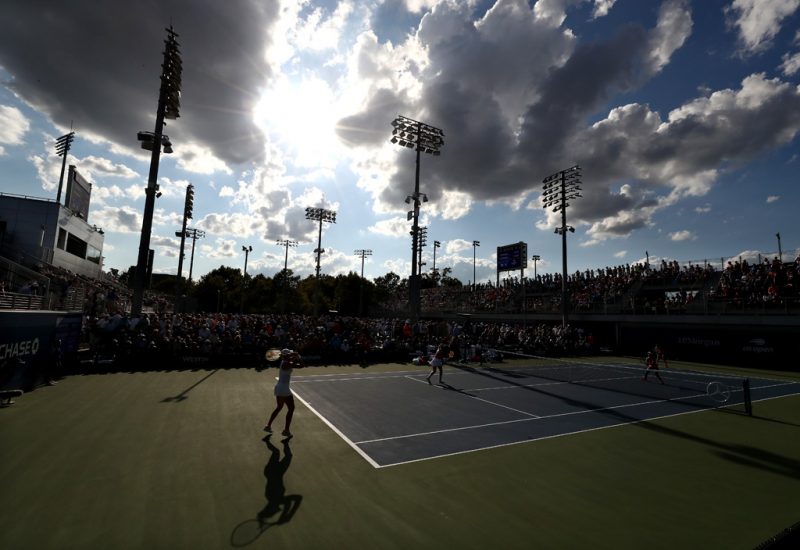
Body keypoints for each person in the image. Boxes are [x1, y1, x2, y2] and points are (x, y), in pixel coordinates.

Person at [264, 348, 304, 437]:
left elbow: (296, 363)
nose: (291, 354)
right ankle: (286, 430)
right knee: (291, 408)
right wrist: (297, 356)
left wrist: (295, 356)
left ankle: (268, 426)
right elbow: (301, 365)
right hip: (284, 389)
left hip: (279, 388)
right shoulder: (286, 363)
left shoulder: (285, 362)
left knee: (279, 407)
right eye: (289, 354)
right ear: (287, 355)